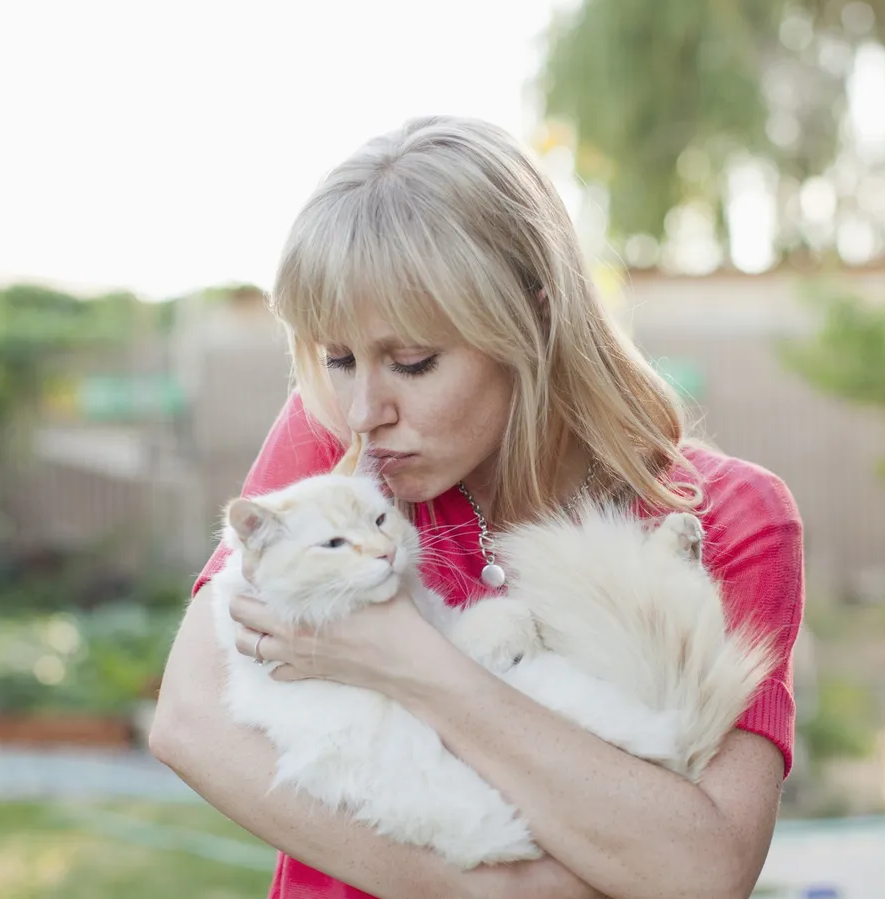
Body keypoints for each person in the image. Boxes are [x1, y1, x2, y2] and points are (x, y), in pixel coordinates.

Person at [150, 114, 804, 899]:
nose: (364, 408)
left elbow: (701, 871)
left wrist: (415, 665)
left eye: (413, 360)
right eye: (337, 357)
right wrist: (486, 887)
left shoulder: (732, 515)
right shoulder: (342, 448)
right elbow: (190, 718)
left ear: (531, 317)